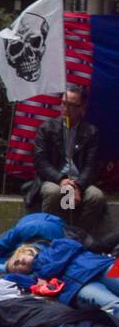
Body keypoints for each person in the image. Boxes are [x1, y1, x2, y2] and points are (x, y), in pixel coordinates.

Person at [30, 84, 107, 233]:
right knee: (54, 193)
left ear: (82, 108)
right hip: (54, 180)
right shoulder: (46, 129)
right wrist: (62, 180)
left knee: (96, 196)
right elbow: (40, 161)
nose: (66, 108)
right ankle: (46, 236)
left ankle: (76, 236)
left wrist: (76, 186)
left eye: (72, 105)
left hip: (79, 181)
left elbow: (91, 166)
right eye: (64, 103)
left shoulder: (90, 132)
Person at [6, 241, 119, 326]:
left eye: (17, 259)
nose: (20, 262)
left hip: (100, 265)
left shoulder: (53, 246)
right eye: (16, 265)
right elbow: (9, 279)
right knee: (113, 305)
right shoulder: (36, 281)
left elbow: (73, 246)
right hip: (79, 287)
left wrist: (44, 274)